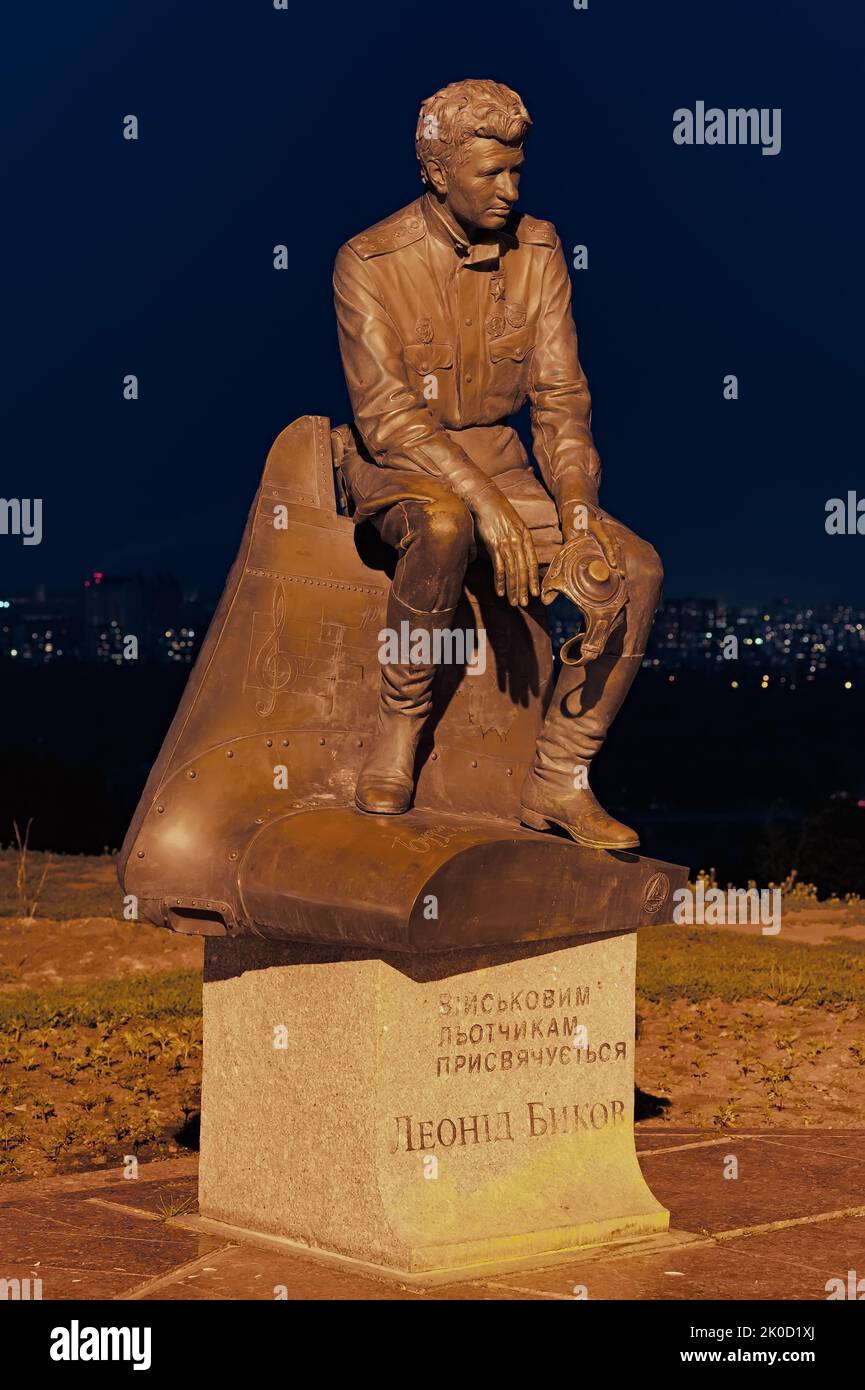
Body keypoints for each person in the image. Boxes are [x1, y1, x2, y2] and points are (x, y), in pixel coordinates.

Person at [333, 79, 662, 849]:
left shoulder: (539, 251)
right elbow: (386, 417)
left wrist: (577, 517)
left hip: (506, 465)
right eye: (491, 173)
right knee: (444, 527)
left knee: (634, 569)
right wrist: (486, 506)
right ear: (437, 171)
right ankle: (399, 725)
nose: (510, 191)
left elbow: (558, 403)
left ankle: (558, 779)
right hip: (399, 462)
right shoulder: (368, 261)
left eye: (517, 170)